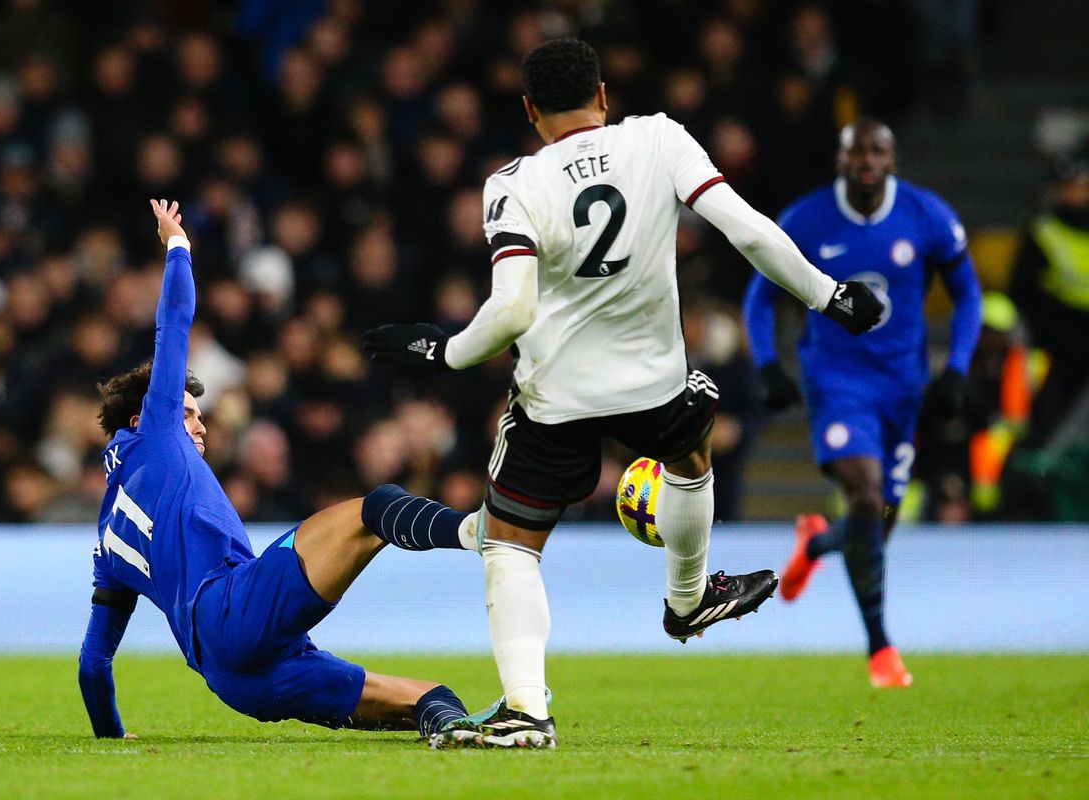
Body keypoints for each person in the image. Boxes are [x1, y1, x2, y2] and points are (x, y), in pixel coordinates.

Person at [363, 38, 883, 748]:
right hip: (655, 385)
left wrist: (444, 351)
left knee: (511, 546)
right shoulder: (659, 139)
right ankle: (689, 596)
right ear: (604, 96)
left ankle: (527, 711)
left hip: (556, 399)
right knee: (693, 447)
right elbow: (747, 230)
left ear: (529, 112)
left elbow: (512, 312)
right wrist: (828, 295)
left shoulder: (514, 183)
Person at [78, 200, 482, 741]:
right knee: (375, 509)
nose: (199, 426)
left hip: (236, 679)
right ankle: (480, 532)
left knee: (426, 698)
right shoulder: (155, 431)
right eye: (189, 414)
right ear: (144, 414)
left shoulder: (108, 541)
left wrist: (112, 740)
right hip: (234, 610)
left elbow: (93, 665)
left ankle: (451, 725)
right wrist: (178, 248)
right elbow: (173, 322)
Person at [742, 119, 982, 688]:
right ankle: (881, 650)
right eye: (856, 151)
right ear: (840, 160)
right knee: (868, 497)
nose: (867, 160)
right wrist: (768, 364)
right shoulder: (805, 219)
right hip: (838, 381)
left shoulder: (927, 216)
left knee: (872, 525)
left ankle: (816, 541)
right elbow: (760, 296)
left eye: (878, 151)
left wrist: (956, 371)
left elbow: (969, 292)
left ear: (893, 160)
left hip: (903, 386)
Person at [1007, 142, 1089, 447]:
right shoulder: (1043, 229)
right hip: (1054, 345)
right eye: (1070, 186)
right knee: (1046, 418)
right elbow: (1022, 288)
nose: (1078, 193)